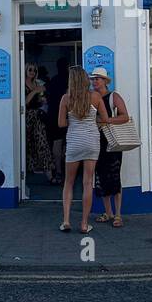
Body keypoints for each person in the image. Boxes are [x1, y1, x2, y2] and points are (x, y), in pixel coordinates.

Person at [58, 66, 109, 234]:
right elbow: (105, 119)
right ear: (86, 80)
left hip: (74, 142)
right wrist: (93, 121)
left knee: (69, 182)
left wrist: (72, 119)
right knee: (88, 183)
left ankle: (66, 221)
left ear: (71, 81)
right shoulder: (95, 97)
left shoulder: (66, 99)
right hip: (91, 142)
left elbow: (61, 124)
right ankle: (84, 224)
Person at [90, 69, 129, 227]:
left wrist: (106, 121)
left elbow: (125, 116)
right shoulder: (91, 98)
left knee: (114, 176)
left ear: (105, 81)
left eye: (98, 79)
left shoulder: (114, 97)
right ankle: (108, 212)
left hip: (112, 142)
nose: (95, 81)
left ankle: (118, 214)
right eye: (93, 79)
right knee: (101, 176)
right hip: (96, 141)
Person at [24, 62, 53, 178]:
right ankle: (29, 170)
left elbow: (40, 100)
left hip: (37, 115)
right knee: (27, 144)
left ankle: (49, 173)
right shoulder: (21, 83)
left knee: (42, 141)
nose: (32, 72)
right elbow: (24, 101)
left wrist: (43, 99)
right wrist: (35, 91)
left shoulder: (37, 83)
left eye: (34, 70)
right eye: (30, 70)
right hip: (26, 116)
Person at [45, 56, 70, 186]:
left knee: (56, 144)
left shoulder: (54, 80)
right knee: (65, 144)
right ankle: (65, 172)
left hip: (53, 114)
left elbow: (47, 97)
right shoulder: (69, 80)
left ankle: (59, 171)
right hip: (67, 115)